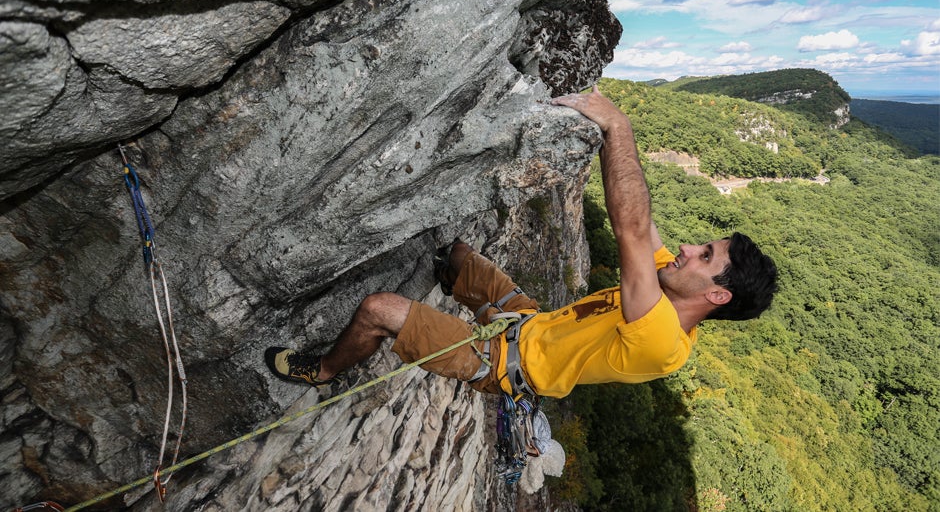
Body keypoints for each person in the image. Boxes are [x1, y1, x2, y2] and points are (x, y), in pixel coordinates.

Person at [265, 86, 778, 398]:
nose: (689, 249)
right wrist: (594, 114)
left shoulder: (663, 339)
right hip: (526, 321)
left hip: (498, 365)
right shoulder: (671, 285)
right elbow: (648, 228)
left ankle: (325, 371)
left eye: (705, 257)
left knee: (379, 308)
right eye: (701, 245)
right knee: (458, 255)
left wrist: (617, 125)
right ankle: (446, 288)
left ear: (717, 295)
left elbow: (633, 228)